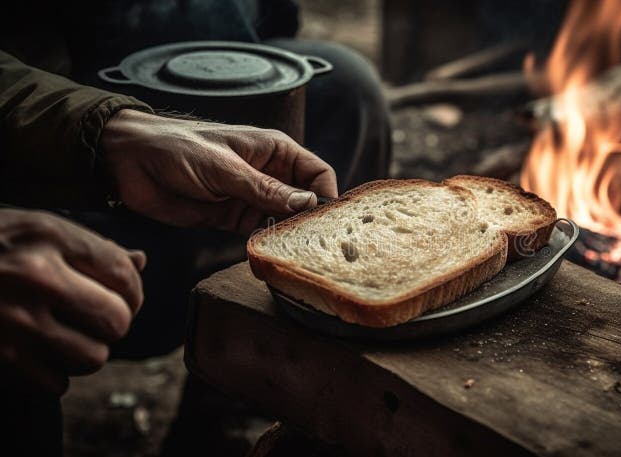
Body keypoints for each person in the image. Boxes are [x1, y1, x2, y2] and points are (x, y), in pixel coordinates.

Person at [0, 1, 391, 455]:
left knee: (346, 89)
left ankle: (237, 390)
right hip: (33, 195)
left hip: (83, 116)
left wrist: (109, 132)